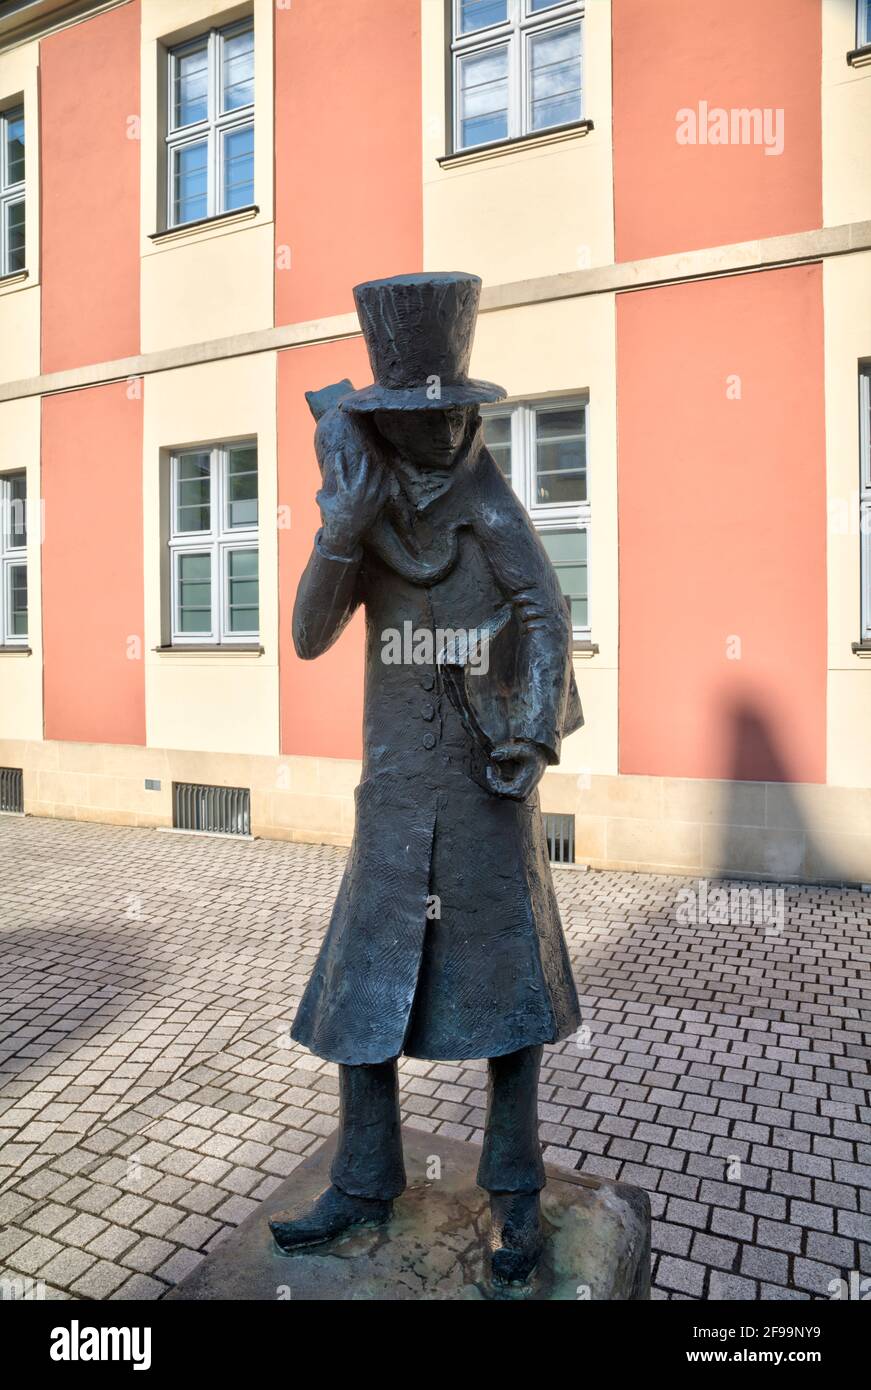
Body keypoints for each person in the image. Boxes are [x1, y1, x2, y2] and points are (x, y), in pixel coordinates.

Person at [270, 273, 582, 1285]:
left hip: (487, 791)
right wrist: (339, 531)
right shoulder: (363, 507)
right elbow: (310, 635)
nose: (444, 434)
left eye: (454, 414)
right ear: (386, 424)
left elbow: (544, 612)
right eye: (422, 419)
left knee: (508, 1001)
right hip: (397, 796)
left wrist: (530, 734)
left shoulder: (488, 503)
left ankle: (516, 1199)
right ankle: (364, 1181)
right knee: (364, 989)